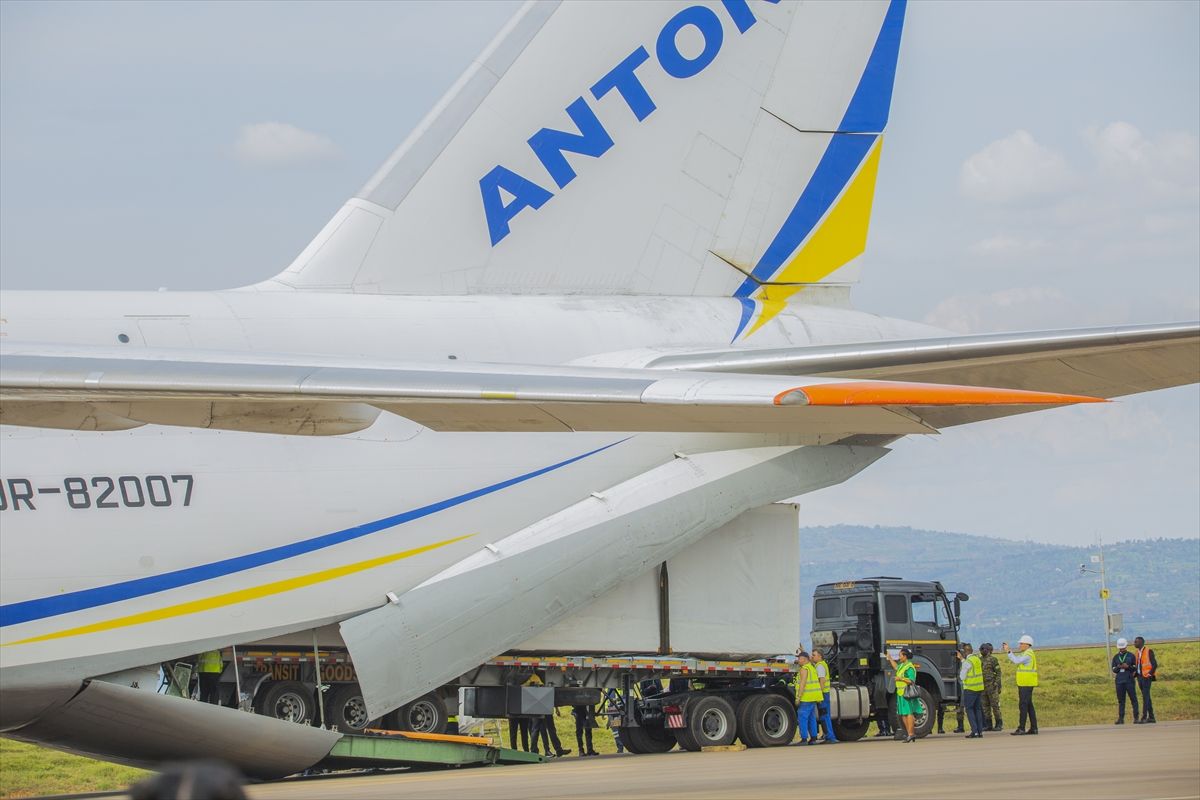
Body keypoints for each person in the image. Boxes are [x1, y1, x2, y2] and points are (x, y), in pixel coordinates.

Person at [1003, 635, 1039, 735]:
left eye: (1021, 643)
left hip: (1026, 683)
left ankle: (1021, 728)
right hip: (1026, 683)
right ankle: (1034, 728)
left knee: (1023, 705)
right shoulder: (1027, 653)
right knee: (1029, 705)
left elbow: (1016, 661)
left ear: (1027, 644)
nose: (1020, 645)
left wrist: (1009, 651)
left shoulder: (1028, 654)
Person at [887, 647, 918, 743]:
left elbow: (911, 680)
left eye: (900, 655)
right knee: (903, 715)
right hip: (900, 693)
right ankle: (909, 734)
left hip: (906, 693)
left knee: (909, 714)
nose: (899, 657)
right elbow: (896, 667)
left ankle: (911, 734)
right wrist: (890, 658)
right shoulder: (902, 666)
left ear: (905, 656)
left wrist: (900, 679)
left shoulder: (909, 667)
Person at [938, 643, 971, 734]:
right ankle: (941, 728)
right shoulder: (955, 660)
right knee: (942, 707)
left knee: (962, 707)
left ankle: (961, 726)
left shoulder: (966, 660)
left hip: (964, 685)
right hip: (959, 684)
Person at [810, 648, 839, 744]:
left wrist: (819, 695)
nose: (812, 657)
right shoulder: (821, 665)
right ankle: (829, 736)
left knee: (824, 716)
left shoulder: (820, 667)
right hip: (824, 694)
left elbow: (822, 681)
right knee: (824, 715)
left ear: (820, 656)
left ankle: (830, 737)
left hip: (823, 694)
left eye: (814, 655)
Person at [956, 646, 986, 738]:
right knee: (977, 709)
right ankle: (980, 731)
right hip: (979, 688)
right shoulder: (977, 659)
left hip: (970, 689)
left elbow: (962, 677)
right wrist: (962, 659)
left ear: (965, 652)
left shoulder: (967, 662)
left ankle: (974, 731)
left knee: (969, 710)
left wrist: (961, 660)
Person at [794, 651, 822, 745]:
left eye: (799, 658)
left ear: (804, 659)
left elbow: (803, 683)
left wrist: (798, 697)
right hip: (813, 697)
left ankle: (804, 739)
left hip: (806, 697)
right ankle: (813, 738)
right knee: (811, 717)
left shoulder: (804, 669)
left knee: (802, 717)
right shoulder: (812, 667)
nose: (798, 660)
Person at [1111, 637, 1140, 724]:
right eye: (1120, 647)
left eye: (1123, 647)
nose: (1122, 649)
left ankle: (1136, 718)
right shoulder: (1116, 657)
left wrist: (1128, 667)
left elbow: (1135, 668)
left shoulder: (1131, 656)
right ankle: (1121, 718)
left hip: (1129, 680)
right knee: (1121, 700)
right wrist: (1119, 667)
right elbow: (1113, 669)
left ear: (1126, 646)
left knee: (1133, 699)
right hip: (1119, 681)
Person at [979, 643, 1003, 731]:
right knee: (985, 707)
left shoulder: (993, 660)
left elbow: (998, 673)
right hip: (983, 687)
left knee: (995, 706)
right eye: (981, 649)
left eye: (983, 649)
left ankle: (999, 724)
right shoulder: (979, 660)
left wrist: (997, 684)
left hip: (992, 686)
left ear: (987, 650)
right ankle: (988, 724)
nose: (982, 651)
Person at [1134, 636, 1158, 724]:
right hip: (1140, 677)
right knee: (1146, 696)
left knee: (1145, 696)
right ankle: (1151, 717)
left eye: (1136, 642)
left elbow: (1155, 664)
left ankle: (1144, 717)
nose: (1134, 643)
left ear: (1141, 642)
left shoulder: (1149, 651)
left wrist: (1149, 674)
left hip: (1146, 677)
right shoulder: (1137, 652)